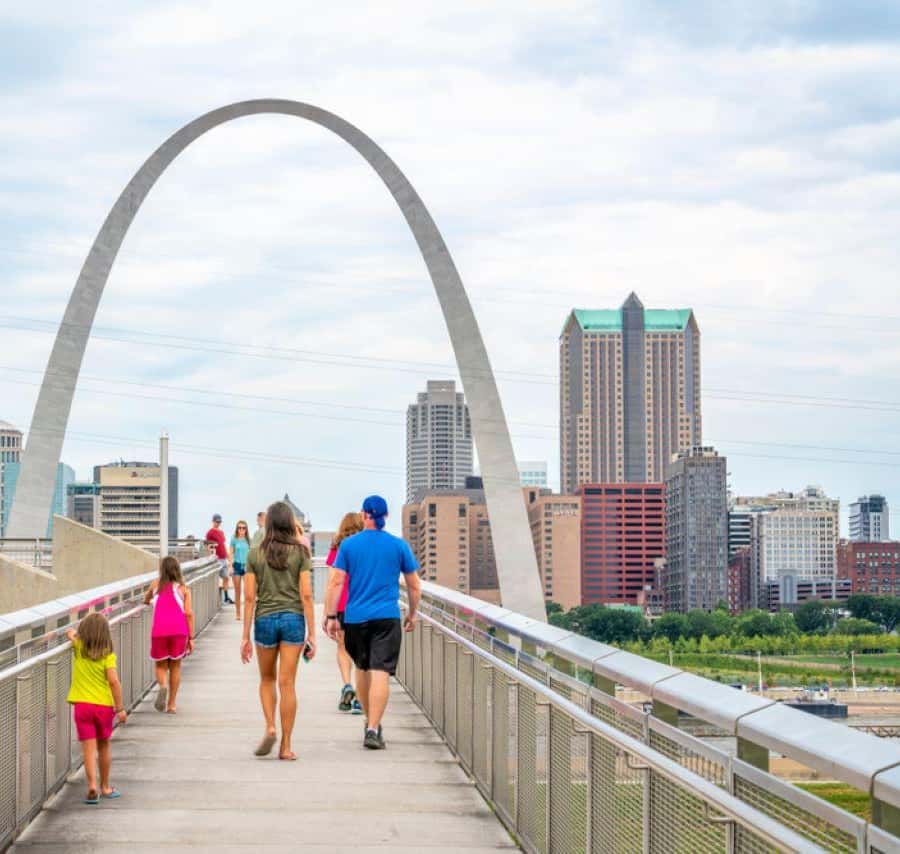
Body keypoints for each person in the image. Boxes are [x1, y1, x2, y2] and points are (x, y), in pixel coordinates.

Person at [325, 495, 421, 750]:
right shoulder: (399, 546)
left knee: (363, 668)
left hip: (355, 618)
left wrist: (332, 616)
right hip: (387, 617)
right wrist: (412, 614)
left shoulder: (348, 546)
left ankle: (369, 720)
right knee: (381, 672)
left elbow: (336, 582)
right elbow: (414, 586)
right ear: (386, 517)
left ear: (364, 514)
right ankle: (372, 727)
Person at [241, 500, 316, 760]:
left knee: (267, 679)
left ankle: (270, 726)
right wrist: (313, 634)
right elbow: (307, 595)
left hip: (264, 620)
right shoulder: (301, 553)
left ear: (269, 523)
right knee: (288, 684)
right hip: (294, 620)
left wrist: (244, 637)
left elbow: (249, 598)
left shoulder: (254, 553)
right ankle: (286, 746)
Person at [66, 613, 127, 804]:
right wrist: (120, 708)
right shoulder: (108, 654)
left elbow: (70, 633)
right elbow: (114, 682)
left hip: (82, 707)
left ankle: (92, 786)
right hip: (103, 707)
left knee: (88, 748)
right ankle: (106, 786)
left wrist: (75, 634)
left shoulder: (79, 646)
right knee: (104, 745)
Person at [323, 512, 365, 713]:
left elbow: (332, 581)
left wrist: (327, 612)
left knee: (342, 647)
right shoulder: (365, 547)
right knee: (361, 651)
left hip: (341, 605)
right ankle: (359, 696)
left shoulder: (337, 548)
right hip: (361, 604)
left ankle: (347, 685)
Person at [144, 556, 194, 714]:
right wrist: (191, 638)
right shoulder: (183, 589)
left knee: (160, 665)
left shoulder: (155, 585)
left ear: (162, 570)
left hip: (159, 631)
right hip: (179, 631)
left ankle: (163, 685)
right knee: (176, 666)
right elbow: (188, 613)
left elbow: (146, 599)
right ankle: (171, 704)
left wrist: (147, 601)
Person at [206, 513, 232, 604]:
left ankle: (226, 598)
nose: (218, 523)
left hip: (224, 558)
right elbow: (208, 546)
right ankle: (215, 600)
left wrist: (228, 557)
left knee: (226, 578)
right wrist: (210, 558)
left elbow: (223, 545)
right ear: (213, 521)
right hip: (216, 559)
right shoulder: (210, 533)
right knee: (215, 578)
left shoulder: (221, 532)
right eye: (217, 521)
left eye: (219, 522)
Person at [230, 520, 252, 621]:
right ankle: (238, 613)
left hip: (247, 567)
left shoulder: (249, 540)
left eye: (243, 528)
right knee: (237, 591)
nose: (241, 530)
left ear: (246, 529)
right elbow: (230, 553)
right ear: (237, 529)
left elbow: (252, 554)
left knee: (247, 591)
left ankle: (248, 612)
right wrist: (230, 566)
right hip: (237, 566)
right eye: (239, 528)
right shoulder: (234, 539)